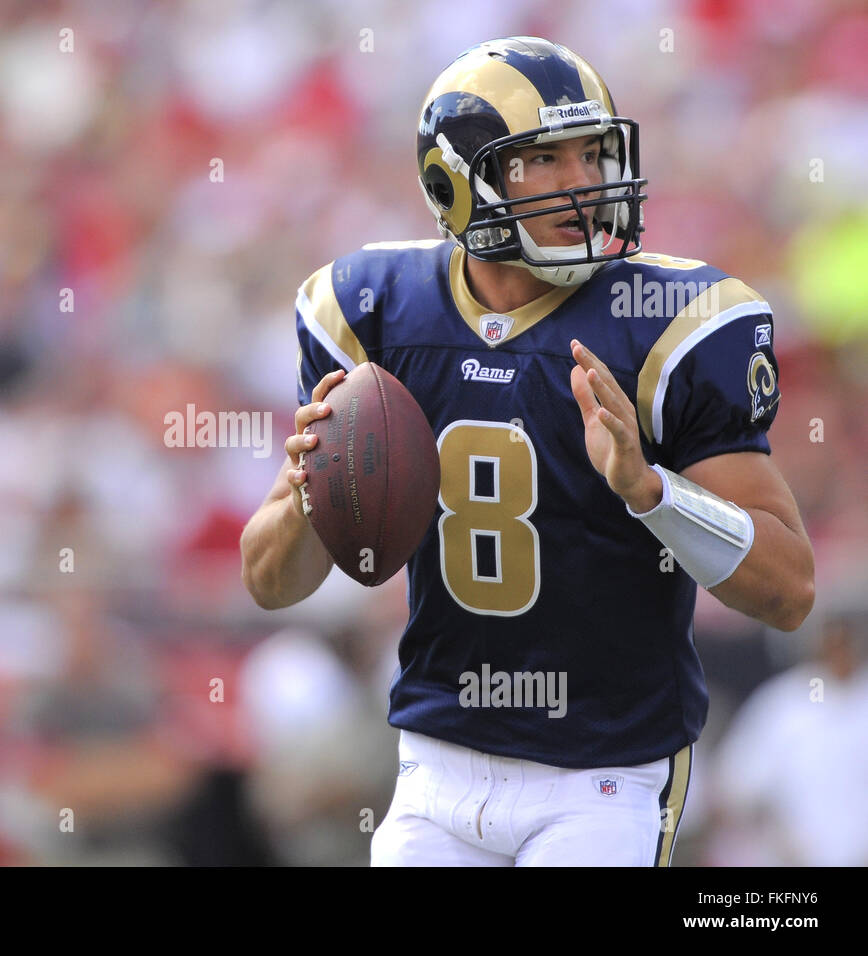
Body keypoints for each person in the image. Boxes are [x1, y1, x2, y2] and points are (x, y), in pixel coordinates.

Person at [239, 36, 814, 866]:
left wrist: (651, 490)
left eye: (593, 153)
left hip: (604, 775)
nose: (583, 182)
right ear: (456, 183)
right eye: (544, 160)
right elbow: (269, 582)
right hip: (434, 767)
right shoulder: (371, 309)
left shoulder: (672, 321)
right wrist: (312, 483)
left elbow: (789, 591)